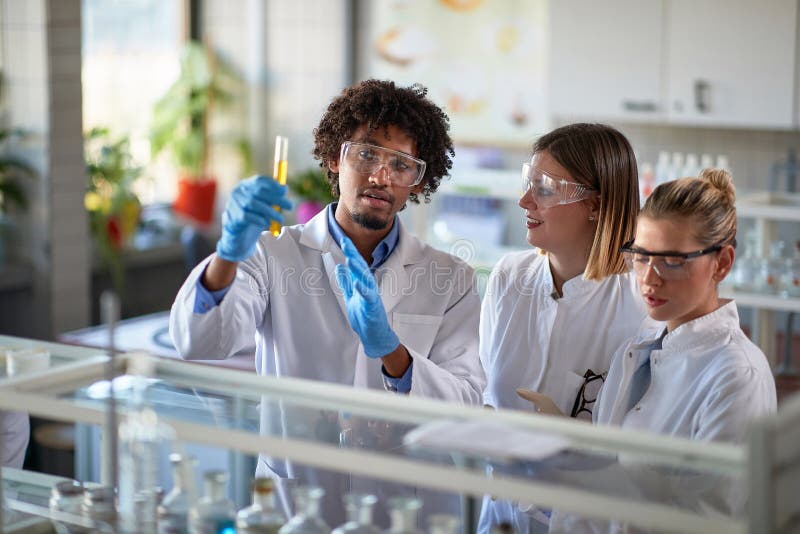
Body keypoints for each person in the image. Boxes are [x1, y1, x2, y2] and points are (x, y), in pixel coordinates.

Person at [169, 79, 484, 525]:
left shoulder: (451, 278)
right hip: (299, 497)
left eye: (401, 164)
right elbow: (198, 342)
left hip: (408, 508)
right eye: (367, 154)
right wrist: (227, 254)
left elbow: (467, 405)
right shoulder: (271, 254)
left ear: (417, 182)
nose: (381, 176)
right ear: (336, 158)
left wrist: (392, 353)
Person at [539, 169, 777, 532]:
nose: (650, 277)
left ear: (723, 263)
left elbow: (707, 519)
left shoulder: (737, 375)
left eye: (672, 260)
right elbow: (599, 481)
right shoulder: (636, 348)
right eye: (642, 256)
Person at [477, 123, 647, 534]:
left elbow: (643, 456)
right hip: (500, 517)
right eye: (527, 182)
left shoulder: (642, 302)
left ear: (595, 204)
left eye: (545, 189)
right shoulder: (508, 277)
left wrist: (570, 436)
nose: (523, 201)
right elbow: (482, 389)